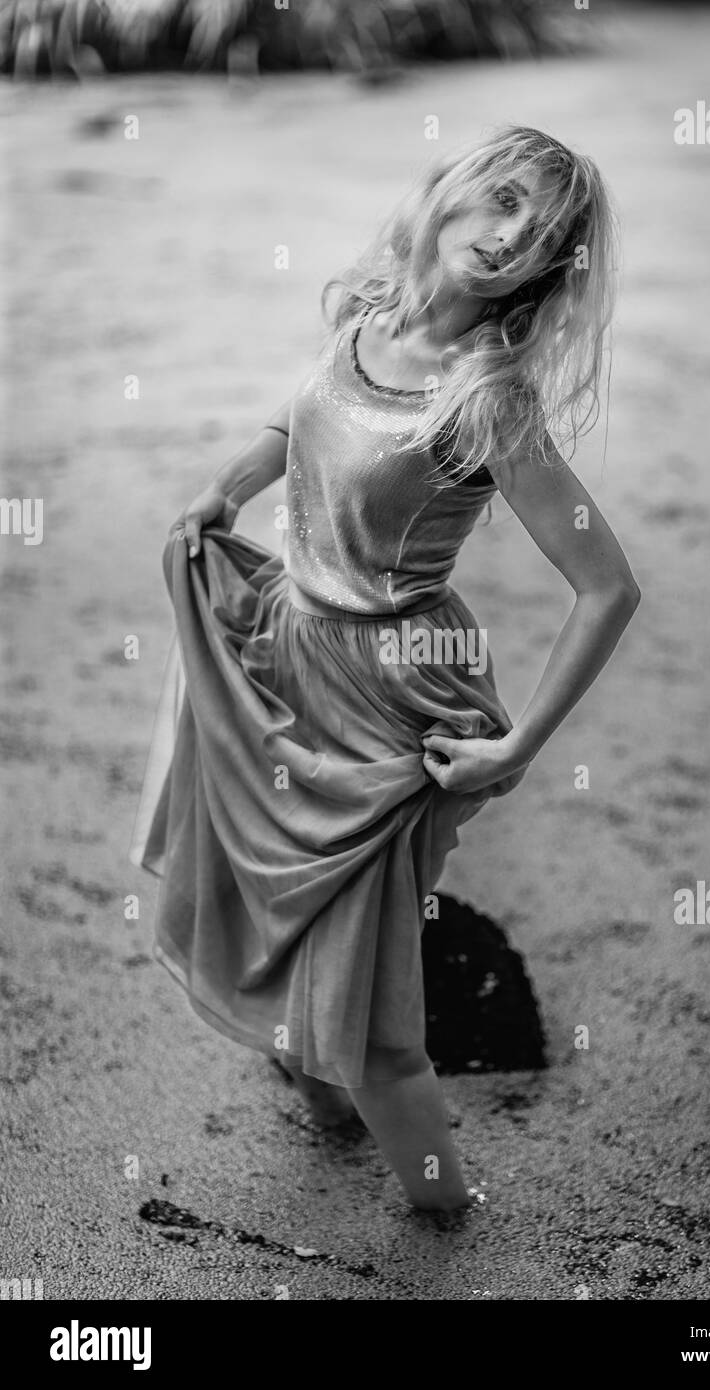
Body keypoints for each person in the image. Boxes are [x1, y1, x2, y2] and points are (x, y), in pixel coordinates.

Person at [131, 124, 640, 1214]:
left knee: (375, 1024)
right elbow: (302, 418)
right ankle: (319, 1096)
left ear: (552, 270)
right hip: (282, 646)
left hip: (388, 699)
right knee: (277, 915)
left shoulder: (487, 399)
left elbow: (607, 586)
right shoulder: (371, 313)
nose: (510, 235)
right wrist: (227, 490)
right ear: (452, 193)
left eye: (540, 232)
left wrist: (518, 744)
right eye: (500, 198)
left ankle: (446, 1216)